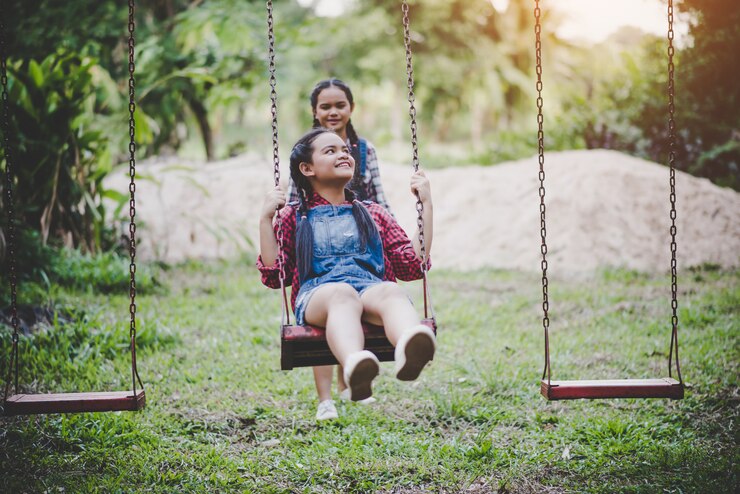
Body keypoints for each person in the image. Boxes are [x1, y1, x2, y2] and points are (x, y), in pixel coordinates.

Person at [258, 128, 435, 421]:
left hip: (368, 290)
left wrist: (426, 206)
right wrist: (266, 219)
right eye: (330, 151)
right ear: (307, 168)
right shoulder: (293, 215)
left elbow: (411, 264)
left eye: (345, 150)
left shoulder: (372, 212)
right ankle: (355, 364)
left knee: (390, 291)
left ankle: (409, 346)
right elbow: (275, 272)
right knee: (342, 294)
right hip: (319, 296)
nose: (343, 154)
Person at [288, 78, 393, 417]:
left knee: (360, 298)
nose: (333, 112)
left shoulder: (363, 150)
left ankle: (352, 383)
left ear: (351, 108)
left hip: (359, 234)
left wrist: (388, 231)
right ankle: (325, 399)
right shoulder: (307, 150)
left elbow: (378, 196)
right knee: (330, 305)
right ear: (315, 112)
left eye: (340, 105)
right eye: (325, 106)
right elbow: (295, 200)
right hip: (319, 237)